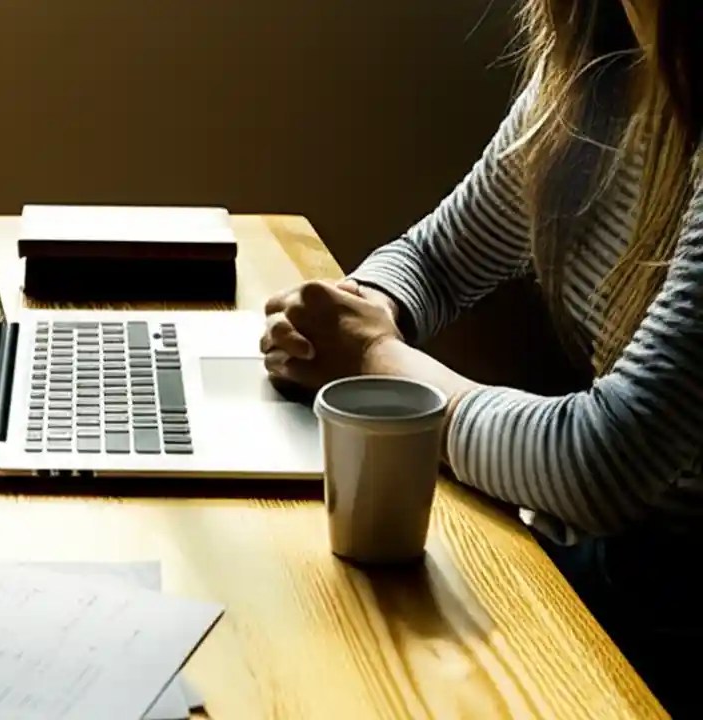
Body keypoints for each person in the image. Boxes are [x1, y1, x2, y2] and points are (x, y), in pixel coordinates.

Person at [260, 0, 702, 713]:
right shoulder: (599, 62)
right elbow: (434, 259)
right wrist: (351, 310)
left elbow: (601, 461)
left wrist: (374, 356)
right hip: (613, 566)